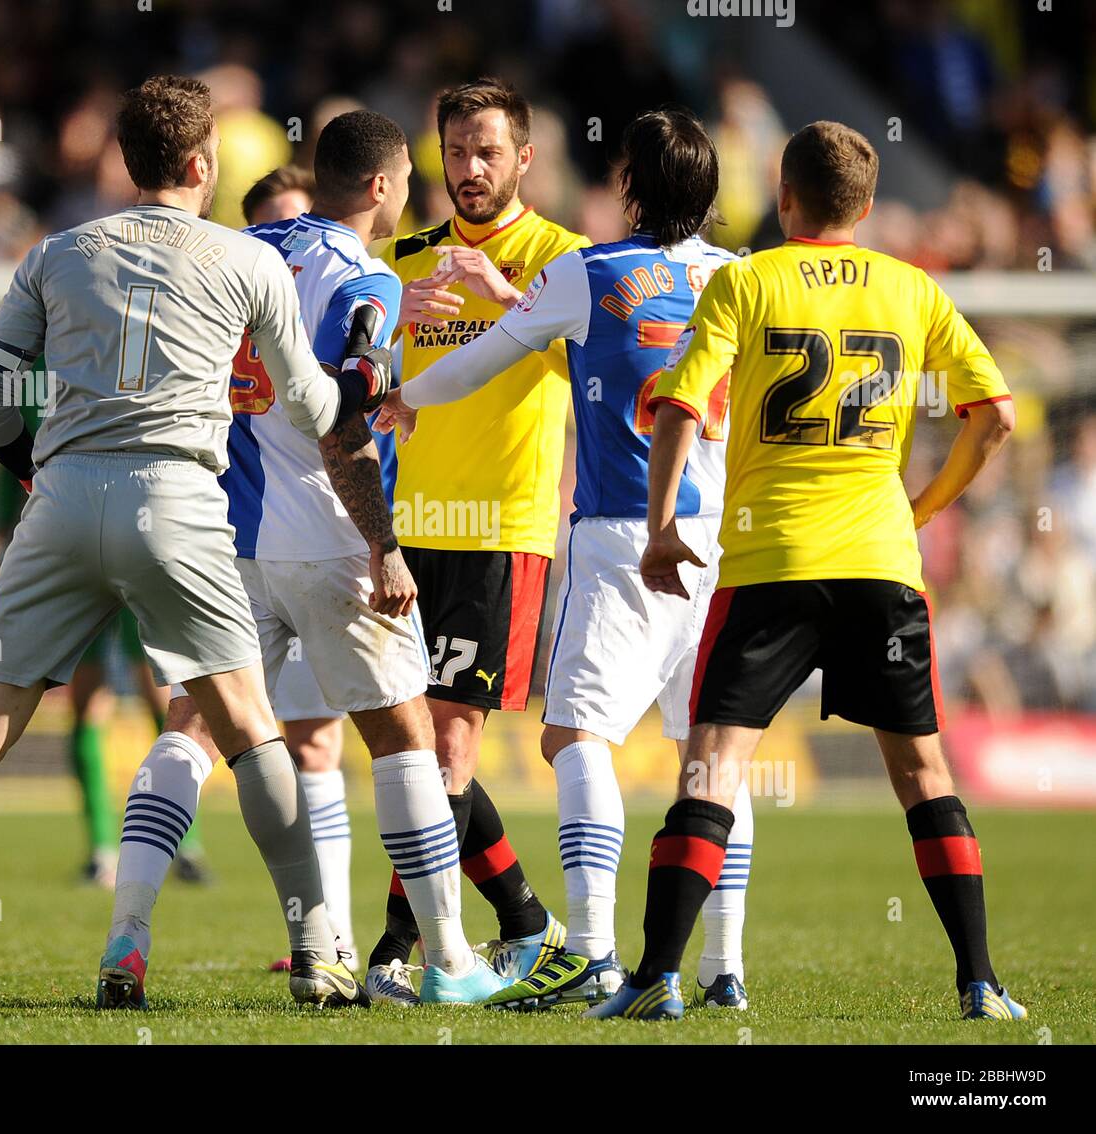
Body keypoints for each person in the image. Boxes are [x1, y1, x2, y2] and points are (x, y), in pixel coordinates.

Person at [0, 75, 389, 1013]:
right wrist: (359, 387)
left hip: (64, 495)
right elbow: (310, 404)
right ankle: (320, 948)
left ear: (127, 163)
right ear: (205, 163)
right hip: (178, 501)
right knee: (249, 728)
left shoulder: (57, 252)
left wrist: (33, 473)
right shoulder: (248, 262)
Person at [592, 120, 1024, 1022]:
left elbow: (677, 402)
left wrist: (665, 527)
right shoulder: (915, 289)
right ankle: (981, 982)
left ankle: (658, 978)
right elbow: (996, 417)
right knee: (925, 777)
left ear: (783, 198)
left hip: (769, 559)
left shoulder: (746, 281)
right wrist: (926, 506)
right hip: (879, 558)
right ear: (865, 207)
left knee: (710, 770)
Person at [116, 110, 506, 1005]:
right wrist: (385, 545)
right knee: (403, 741)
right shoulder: (364, 278)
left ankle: (127, 935)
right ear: (381, 186)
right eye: (407, 177)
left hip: (224, 539)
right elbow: (346, 423)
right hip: (328, 541)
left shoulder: (235, 254)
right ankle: (448, 959)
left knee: (194, 726)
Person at [377, 105, 756, 1012]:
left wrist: (404, 395)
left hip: (625, 533)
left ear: (630, 187)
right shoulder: (746, 280)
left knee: (573, 735)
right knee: (709, 756)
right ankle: (720, 970)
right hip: (725, 542)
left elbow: (488, 357)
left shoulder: (592, 270)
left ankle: (587, 947)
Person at [366, 78, 589, 994]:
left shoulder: (565, 260)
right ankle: (528, 921)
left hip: (500, 531)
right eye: (456, 151)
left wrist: (506, 300)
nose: (469, 169)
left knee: (450, 746)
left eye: (488, 151)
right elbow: (360, 384)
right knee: (414, 747)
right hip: (406, 533)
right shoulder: (406, 257)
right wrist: (385, 342)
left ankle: (394, 947)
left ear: (525, 158)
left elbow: (600, 366)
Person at [240, 165, 356, 973]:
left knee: (313, 744)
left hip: (319, 534)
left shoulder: (350, 288)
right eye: (274, 226)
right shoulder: (231, 278)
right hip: (232, 544)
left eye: (297, 220)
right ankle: (127, 936)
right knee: (209, 734)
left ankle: (333, 933)